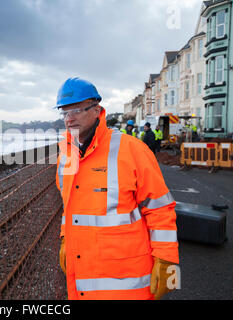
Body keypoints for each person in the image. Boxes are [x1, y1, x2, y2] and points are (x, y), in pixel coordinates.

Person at [55, 77, 179, 300]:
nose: (69, 118)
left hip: (127, 281)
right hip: (82, 276)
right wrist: (65, 238)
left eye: (75, 110)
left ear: (96, 110)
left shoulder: (132, 150)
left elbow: (161, 208)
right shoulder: (65, 155)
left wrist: (168, 260)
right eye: (64, 112)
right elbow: (69, 207)